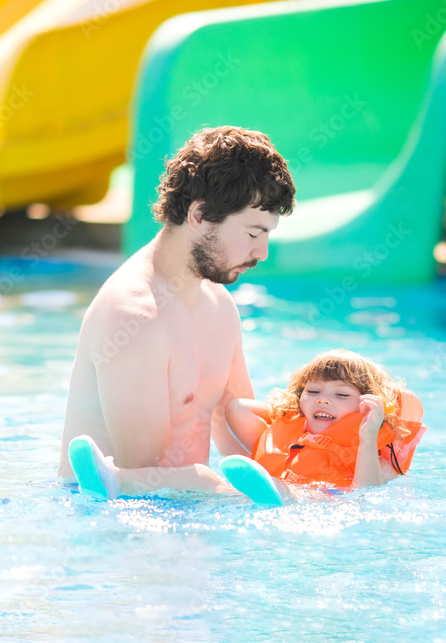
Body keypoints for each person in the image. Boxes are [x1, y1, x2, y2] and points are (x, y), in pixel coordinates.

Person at [58, 125, 296, 498]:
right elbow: (141, 482)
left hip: (183, 516)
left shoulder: (219, 305)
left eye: (268, 234)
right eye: (253, 233)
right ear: (199, 215)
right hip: (110, 519)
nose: (262, 252)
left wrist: (315, 449)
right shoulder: (134, 316)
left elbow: (237, 426)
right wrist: (215, 487)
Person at [218, 349, 426, 506]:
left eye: (342, 394)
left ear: (365, 406)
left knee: (307, 495)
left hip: (323, 505)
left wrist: (369, 435)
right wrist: (294, 409)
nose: (323, 401)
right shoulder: (290, 431)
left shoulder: (378, 455)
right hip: (274, 490)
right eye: (313, 391)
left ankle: (278, 493)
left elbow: (367, 491)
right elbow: (238, 408)